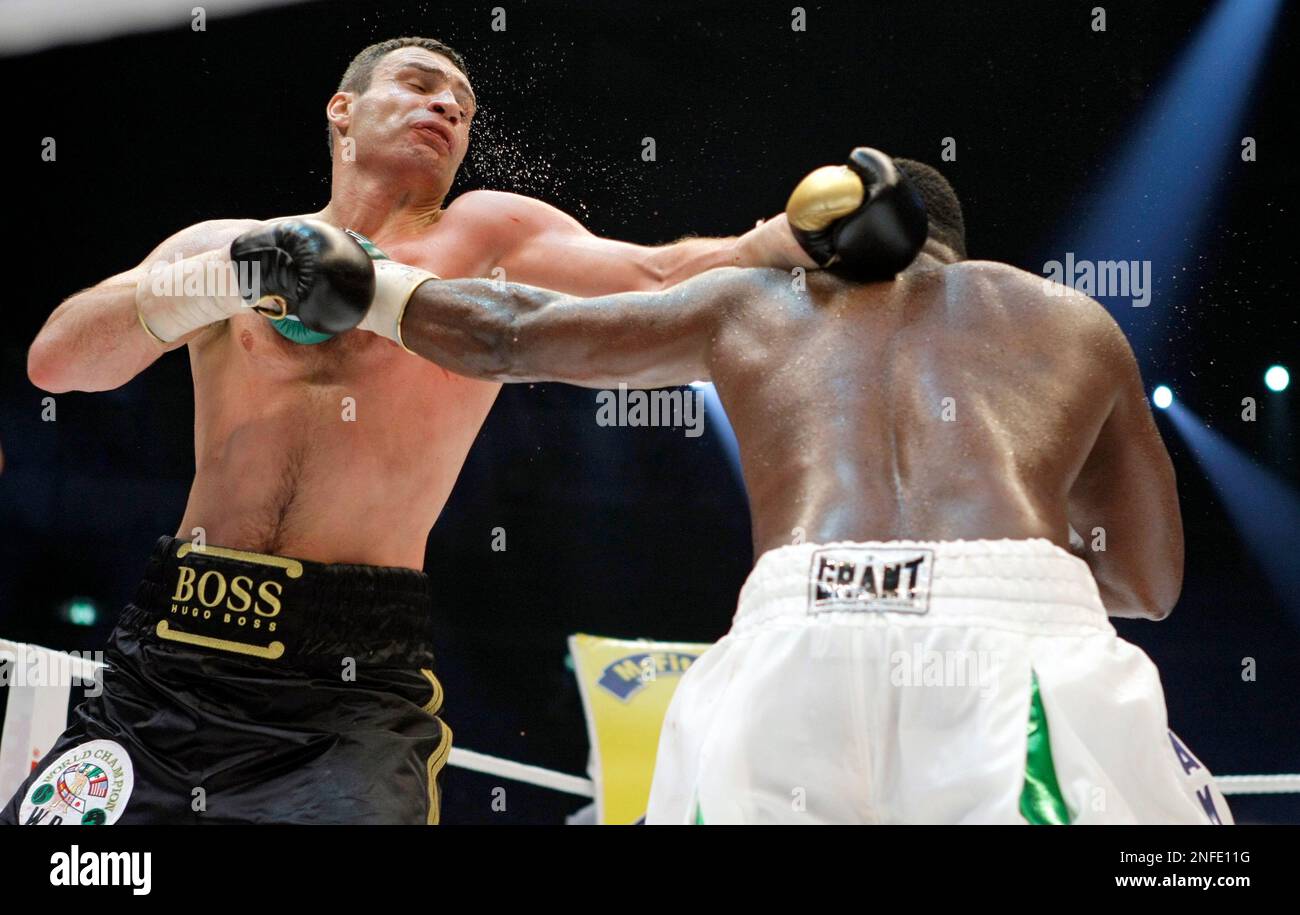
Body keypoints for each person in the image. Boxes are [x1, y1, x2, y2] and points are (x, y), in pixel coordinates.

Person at [7, 36, 821, 826]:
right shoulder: (224, 247)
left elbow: (659, 274)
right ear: (343, 110)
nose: (445, 106)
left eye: (463, 107)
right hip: (170, 656)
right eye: (419, 83)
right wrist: (228, 275)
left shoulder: (484, 239)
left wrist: (795, 239)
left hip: (347, 685)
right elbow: (58, 361)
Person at [329, 150, 1231, 825]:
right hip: (1016, 646)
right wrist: (1010, 553)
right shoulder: (1074, 322)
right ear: (952, 242)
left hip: (800, 632)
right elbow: (1147, 584)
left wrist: (364, 284)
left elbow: (515, 332)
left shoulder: (752, 303)